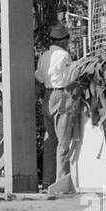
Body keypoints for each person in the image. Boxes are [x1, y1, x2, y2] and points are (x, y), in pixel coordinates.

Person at [35, 21, 77, 193]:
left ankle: (47, 182)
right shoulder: (65, 56)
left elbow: (39, 77)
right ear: (64, 40)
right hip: (61, 95)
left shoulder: (44, 56)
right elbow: (70, 78)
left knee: (50, 141)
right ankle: (61, 182)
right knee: (63, 142)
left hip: (47, 96)